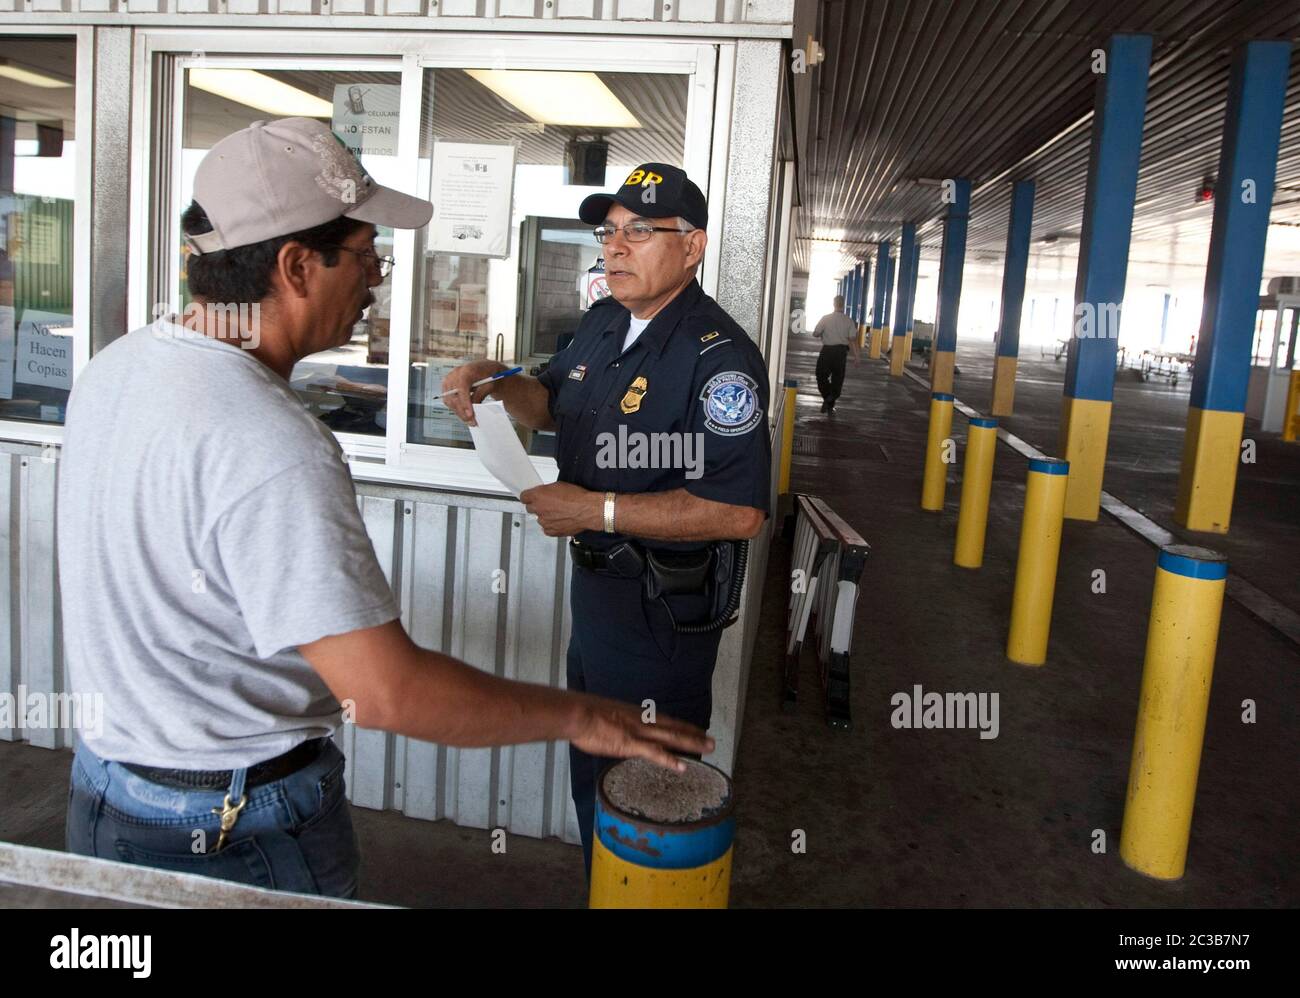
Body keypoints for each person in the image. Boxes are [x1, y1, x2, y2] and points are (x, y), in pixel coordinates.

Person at [57, 120, 710, 899]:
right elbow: (385, 691)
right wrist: (581, 719)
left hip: (107, 794)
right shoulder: (270, 441)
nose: (376, 281)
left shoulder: (121, 366)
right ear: (298, 265)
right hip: (239, 832)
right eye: (367, 258)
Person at [441, 163, 771, 872]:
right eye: (609, 231)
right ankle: (606, 882)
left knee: (649, 784)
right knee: (595, 765)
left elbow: (739, 511)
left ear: (692, 247)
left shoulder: (720, 359)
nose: (615, 248)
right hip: (596, 592)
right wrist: (490, 383)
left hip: (662, 608)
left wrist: (596, 508)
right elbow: (549, 401)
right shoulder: (603, 323)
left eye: (640, 232)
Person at [812, 294, 860, 413]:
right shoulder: (849, 321)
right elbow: (853, 340)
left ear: (833, 304)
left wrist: (822, 334)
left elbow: (815, 333)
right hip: (841, 352)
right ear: (843, 305)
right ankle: (830, 399)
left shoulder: (825, 318)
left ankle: (827, 397)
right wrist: (857, 357)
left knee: (821, 375)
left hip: (827, 351)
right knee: (837, 379)